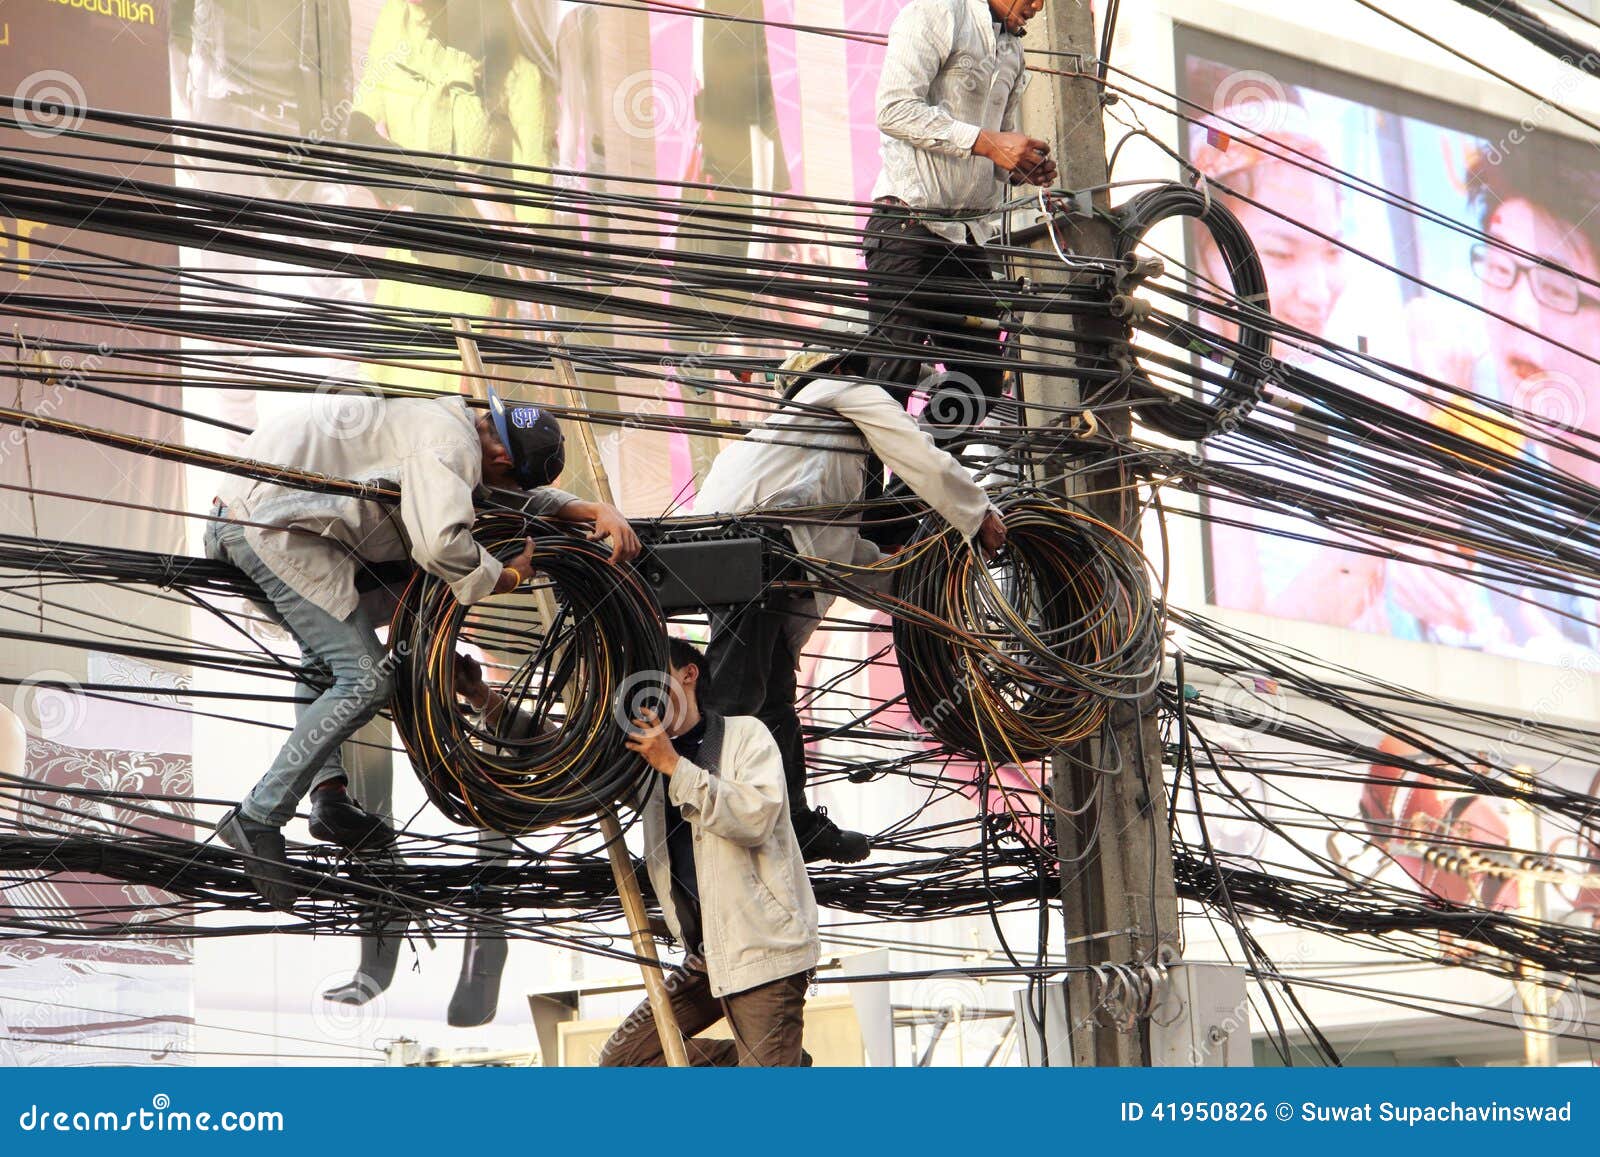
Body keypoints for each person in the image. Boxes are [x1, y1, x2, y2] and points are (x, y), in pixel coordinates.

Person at [207, 389, 639, 909]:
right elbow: (440, 545)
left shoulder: (451, 427)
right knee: (365, 678)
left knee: (328, 656)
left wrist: (589, 509)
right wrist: (505, 577)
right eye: (510, 477)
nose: (503, 488)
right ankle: (258, 816)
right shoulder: (449, 444)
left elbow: (495, 501)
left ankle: (327, 795)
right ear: (501, 456)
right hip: (270, 524)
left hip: (262, 518)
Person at [692, 348, 1007, 863]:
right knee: (735, 699)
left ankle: (791, 820)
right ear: (837, 372)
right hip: (752, 552)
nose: (877, 384)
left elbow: (837, 548)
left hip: (753, 556)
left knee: (770, 699)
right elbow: (918, 454)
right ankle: (699, 828)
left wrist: (909, 575)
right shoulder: (843, 395)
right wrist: (977, 514)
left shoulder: (803, 449)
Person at [597, 637, 819, 1067]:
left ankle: (772, 1063)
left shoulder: (744, 736)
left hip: (763, 951)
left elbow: (755, 818)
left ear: (688, 674)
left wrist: (674, 765)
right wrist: (485, 700)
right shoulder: (645, 766)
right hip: (706, 958)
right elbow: (567, 760)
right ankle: (775, 1062)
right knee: (623, 1061)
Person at [863, 0, 1054, 421]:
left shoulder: (1012, 52)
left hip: (964, 239)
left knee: (981, 382)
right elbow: (893, 109)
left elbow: (992, 149)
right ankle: (868, 488)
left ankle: (916, 485)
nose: (1038, 6)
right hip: (908, 226)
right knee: (890, 384)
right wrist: (989, 143)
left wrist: (1020, 169)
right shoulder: (938, 11)